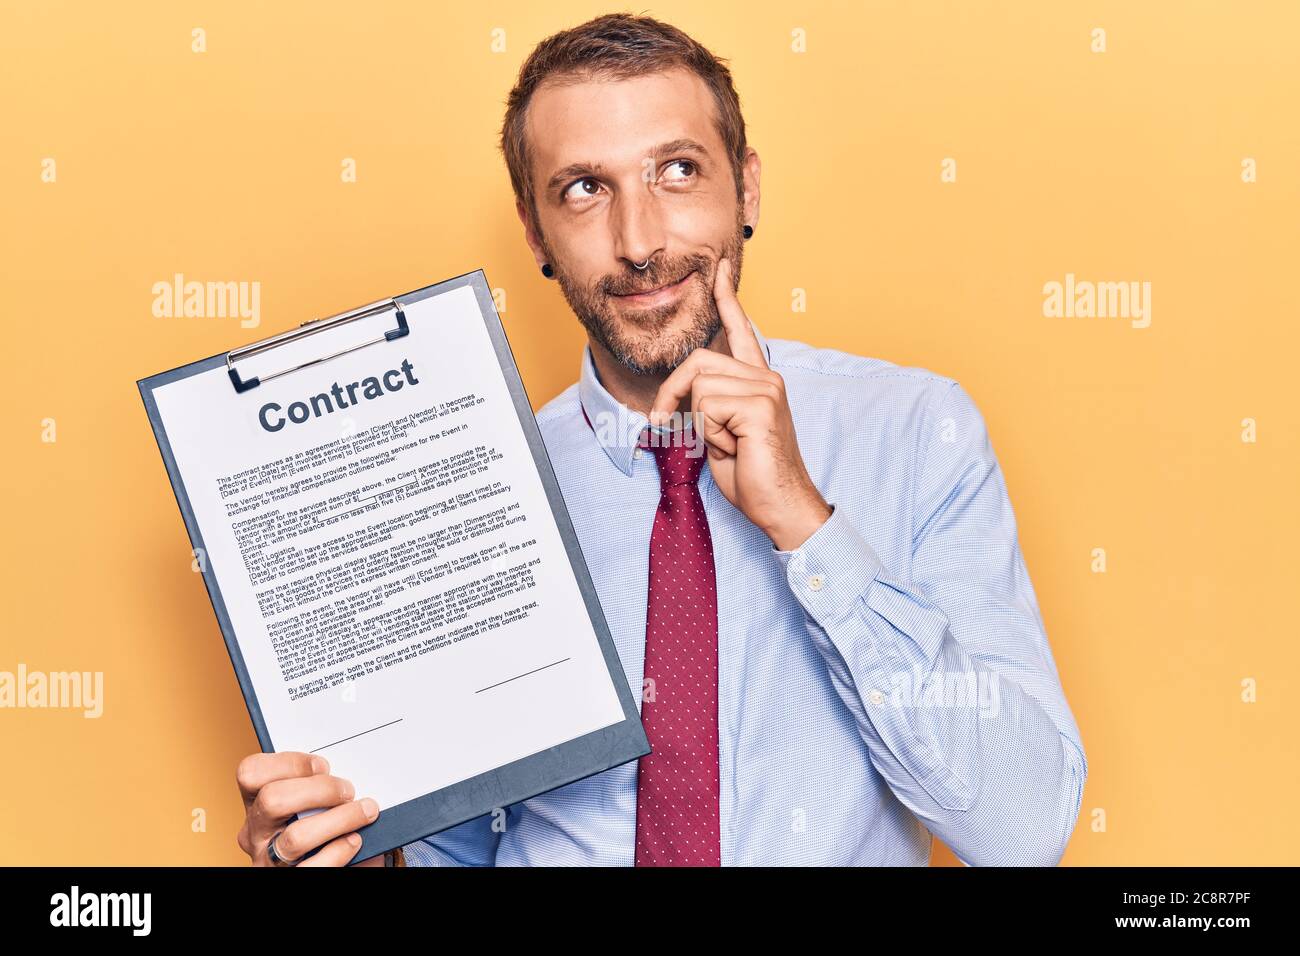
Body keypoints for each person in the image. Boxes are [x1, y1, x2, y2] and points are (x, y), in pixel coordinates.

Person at [236, 12, 1086, 868]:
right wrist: (352, 852)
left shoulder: (913, 433)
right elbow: (452, 853)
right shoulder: (472, 493)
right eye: (583, 189)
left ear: (746, 189)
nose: (639, 243)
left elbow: (1022, 831)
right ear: (534, 230)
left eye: (677, 170)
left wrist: (804, 521)